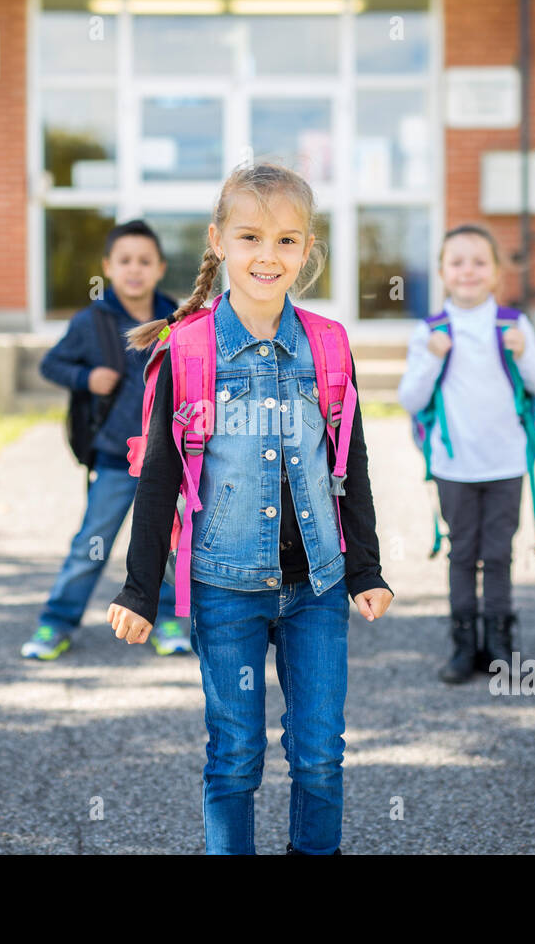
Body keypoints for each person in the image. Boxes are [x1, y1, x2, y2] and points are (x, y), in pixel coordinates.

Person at [106, 162, 394, 855]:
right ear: (218, 241)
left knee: (321, 754)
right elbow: (159, 479)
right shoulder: (189, 348)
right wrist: (140, 588)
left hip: (318, 586)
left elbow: (348, 463)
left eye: (288, 241)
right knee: (234, 757)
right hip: (224, 587)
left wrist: (366, 569)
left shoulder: (328, 344)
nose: (269, 256)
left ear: (308, 249)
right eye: (251, 237)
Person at [20, 220, 187, 660]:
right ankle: (56, 622)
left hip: (169, 459)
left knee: (168, 545)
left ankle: (165, 618)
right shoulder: (90, 322)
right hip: (115, 457)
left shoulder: (177, 318)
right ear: (108, 267)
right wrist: (85, 377)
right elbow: (51, 366)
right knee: (91, 545)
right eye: (125, 261)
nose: (135, 269)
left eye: (145, 261)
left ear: (160, 268)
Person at [398, 224, 535, 684]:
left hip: (507, 463)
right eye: (457, 262)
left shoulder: (512, 324)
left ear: (495, 273)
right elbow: (410, 399)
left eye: (479, 262)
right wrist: (431, 355)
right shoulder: (430, 331)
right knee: (463, 554)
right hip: (454, 466)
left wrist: (524, 353)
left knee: (500, 553)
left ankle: (501, 647)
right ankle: (464, 646)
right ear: (443, 272)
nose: (468, 271)